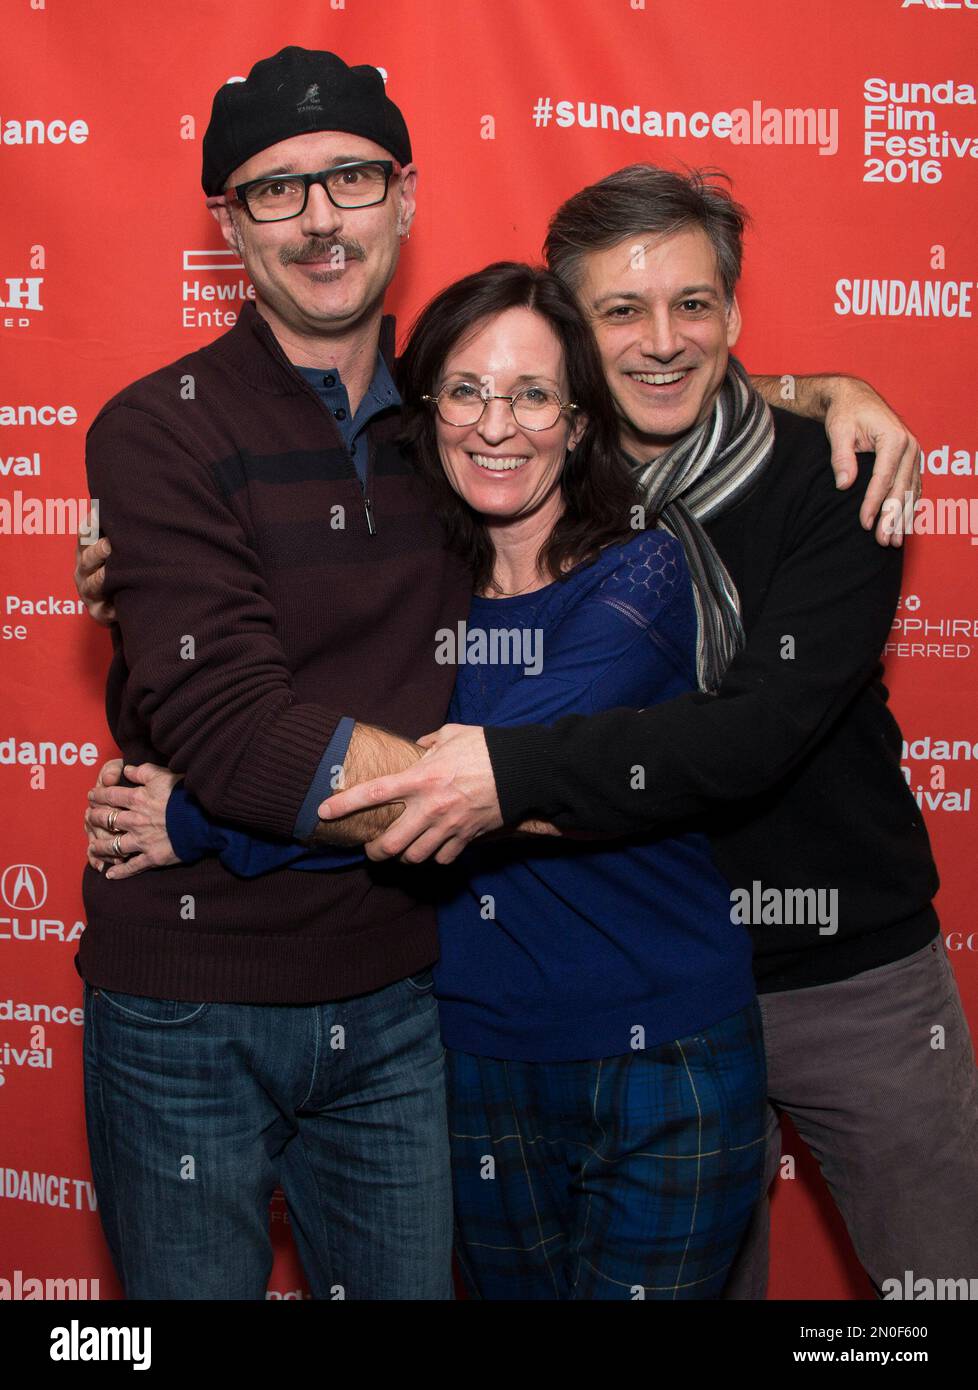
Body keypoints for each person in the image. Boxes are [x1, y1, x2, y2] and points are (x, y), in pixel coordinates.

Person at [73, 42, 923, 1298]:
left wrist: (199, 818)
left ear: (405, 198)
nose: (319, 219)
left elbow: (690, 713)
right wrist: (142, 571)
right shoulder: (244, 438)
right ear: (227, 222)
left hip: (505, 998)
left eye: (353, 179)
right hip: (271, 1002)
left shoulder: (531, 492)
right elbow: (245, 703)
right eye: (275, 189)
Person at [306, 165, 978, 1299]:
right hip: (633, 985)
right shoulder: (495, 484)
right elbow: (315, 573)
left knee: (942, 1285)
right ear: (573, 333)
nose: (663, 341)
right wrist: (159, 563)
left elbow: (754, 734)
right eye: (621, 310)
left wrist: (502, 774)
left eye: (695, 304)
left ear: (735, 314)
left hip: (841, 972)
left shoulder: (831, 471)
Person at [85, 261, 773, 1299]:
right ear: (424, 415)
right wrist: (137, 574)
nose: (500, 425)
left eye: (535, 394)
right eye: (467, 391)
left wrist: (202, 813)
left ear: (581, 422)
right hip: (474, 1047)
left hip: (656, 1056)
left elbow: (468, 790)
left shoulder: (635, 579)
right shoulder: (431, 569)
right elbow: (263, 648)